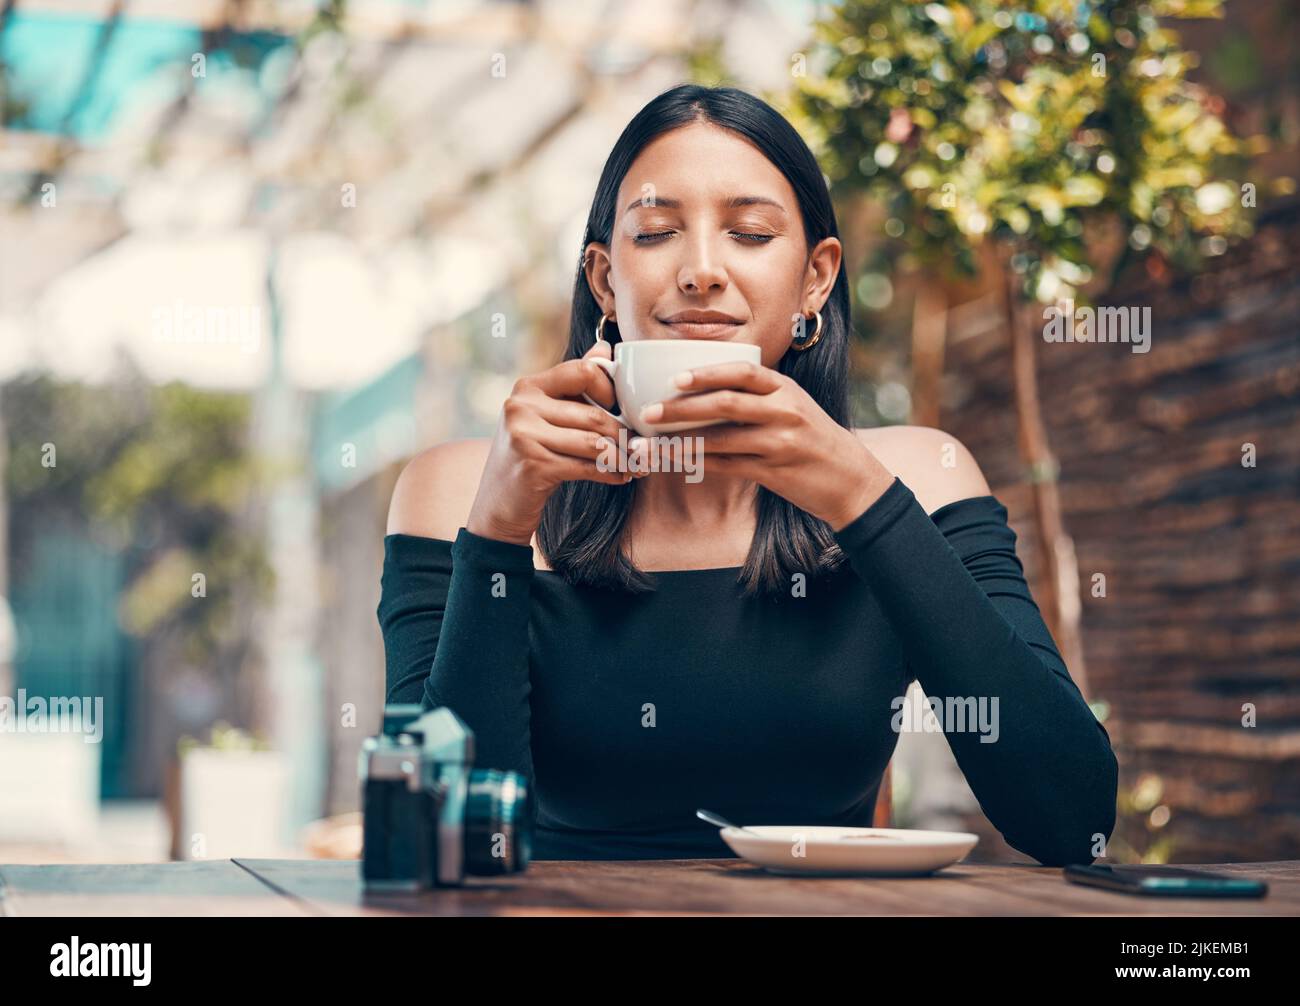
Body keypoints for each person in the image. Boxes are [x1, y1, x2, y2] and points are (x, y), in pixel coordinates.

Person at [378, 83, 1117, 864]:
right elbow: (435, 848)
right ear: (604, 281)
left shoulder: (918, 476)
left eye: (751, 233)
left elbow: (1071, 820)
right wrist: (498, 525)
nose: (701, 270)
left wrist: (860, 498)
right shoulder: (461, 490)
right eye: (658, 232)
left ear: (816, 280)